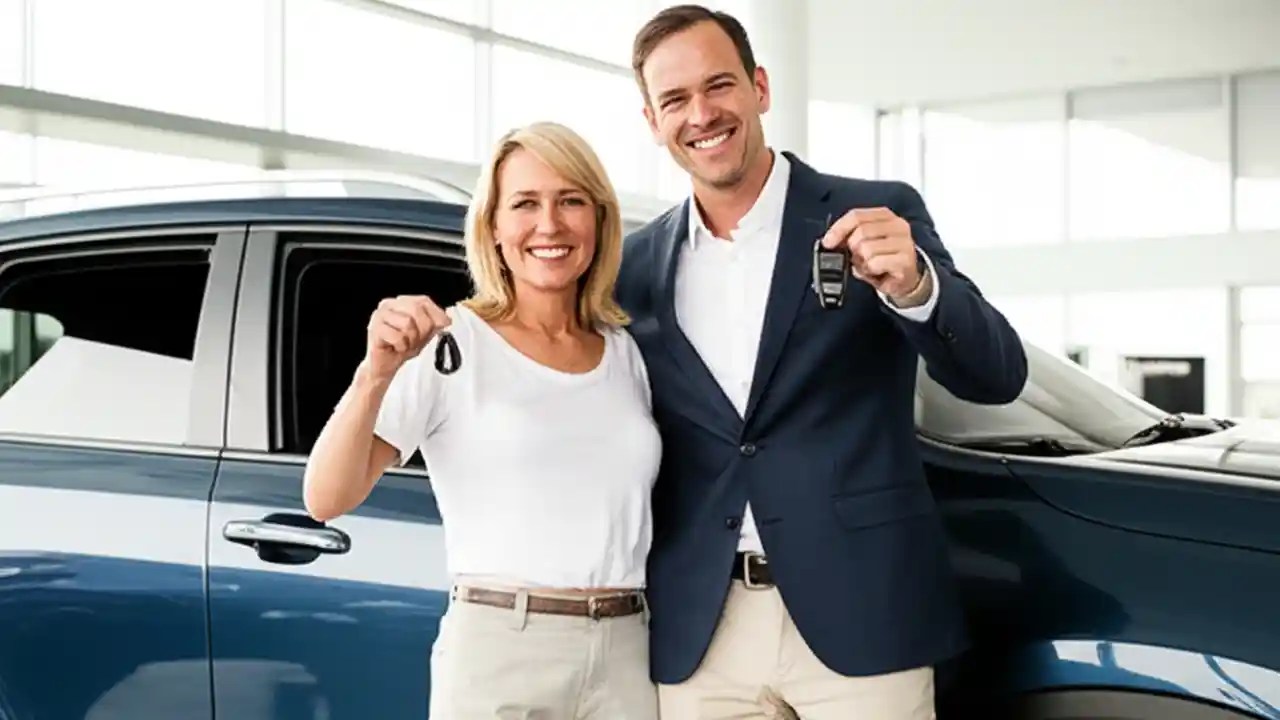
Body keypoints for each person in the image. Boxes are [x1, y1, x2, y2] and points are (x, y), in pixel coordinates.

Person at [615, 5, 1029, 719]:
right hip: (699, 634)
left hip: (864, 618)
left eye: (720, 86)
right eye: (675, 99)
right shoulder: (632, 269)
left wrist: (919, 287)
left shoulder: (877, 212)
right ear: (652, 121)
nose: (702, 114)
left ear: (760, 88)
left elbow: (996, 376)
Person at [302, 121, 662, 719]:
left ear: (599, 220)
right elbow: (325, 497)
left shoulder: (626, 353)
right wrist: (375, 373)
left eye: (571, 200)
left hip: (626, 650)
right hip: (502, 651)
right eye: (525, 203)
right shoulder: (450, 344)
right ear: (493, 226)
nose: (549, 224)